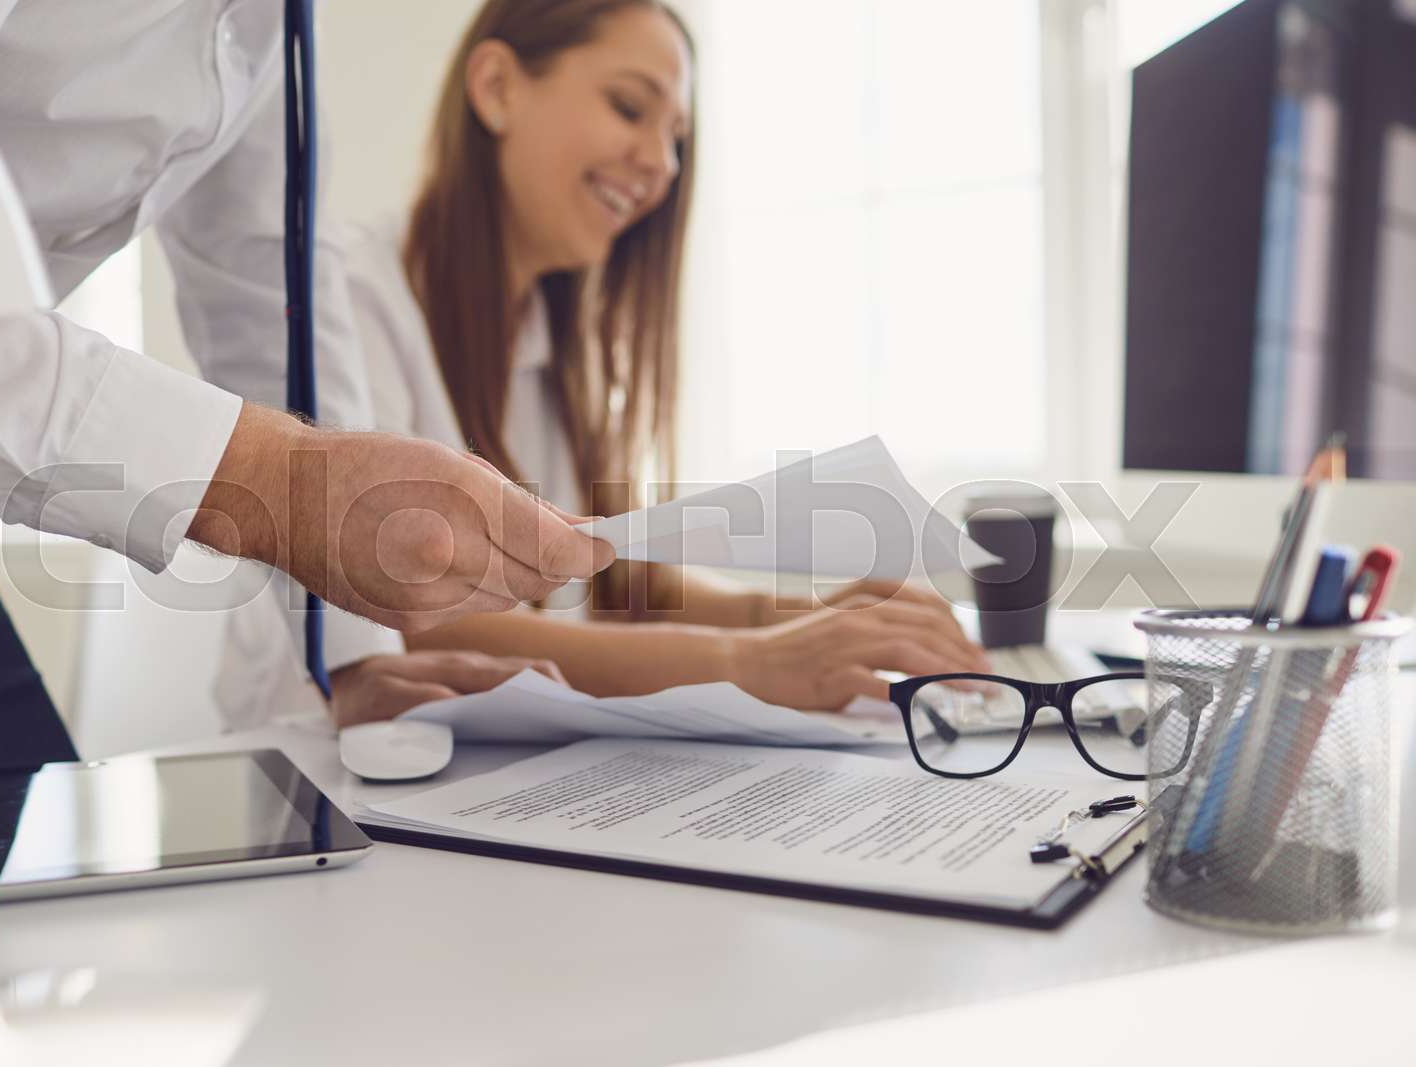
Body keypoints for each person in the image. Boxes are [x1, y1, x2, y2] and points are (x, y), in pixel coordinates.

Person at [0, 0, 612, 818]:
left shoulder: (273, 26)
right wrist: (273, 480)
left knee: (7, 905)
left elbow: (266, 279)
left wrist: (349, 655)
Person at [231, 0, 990, 731]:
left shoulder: (560, 336)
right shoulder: (359, 301)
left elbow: (613, 585)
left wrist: (808, 621)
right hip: (323, 774)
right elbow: (416, 627)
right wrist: (749, 657)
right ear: (497, 88)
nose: (660, 165)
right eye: (630, 108)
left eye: (677, 138)